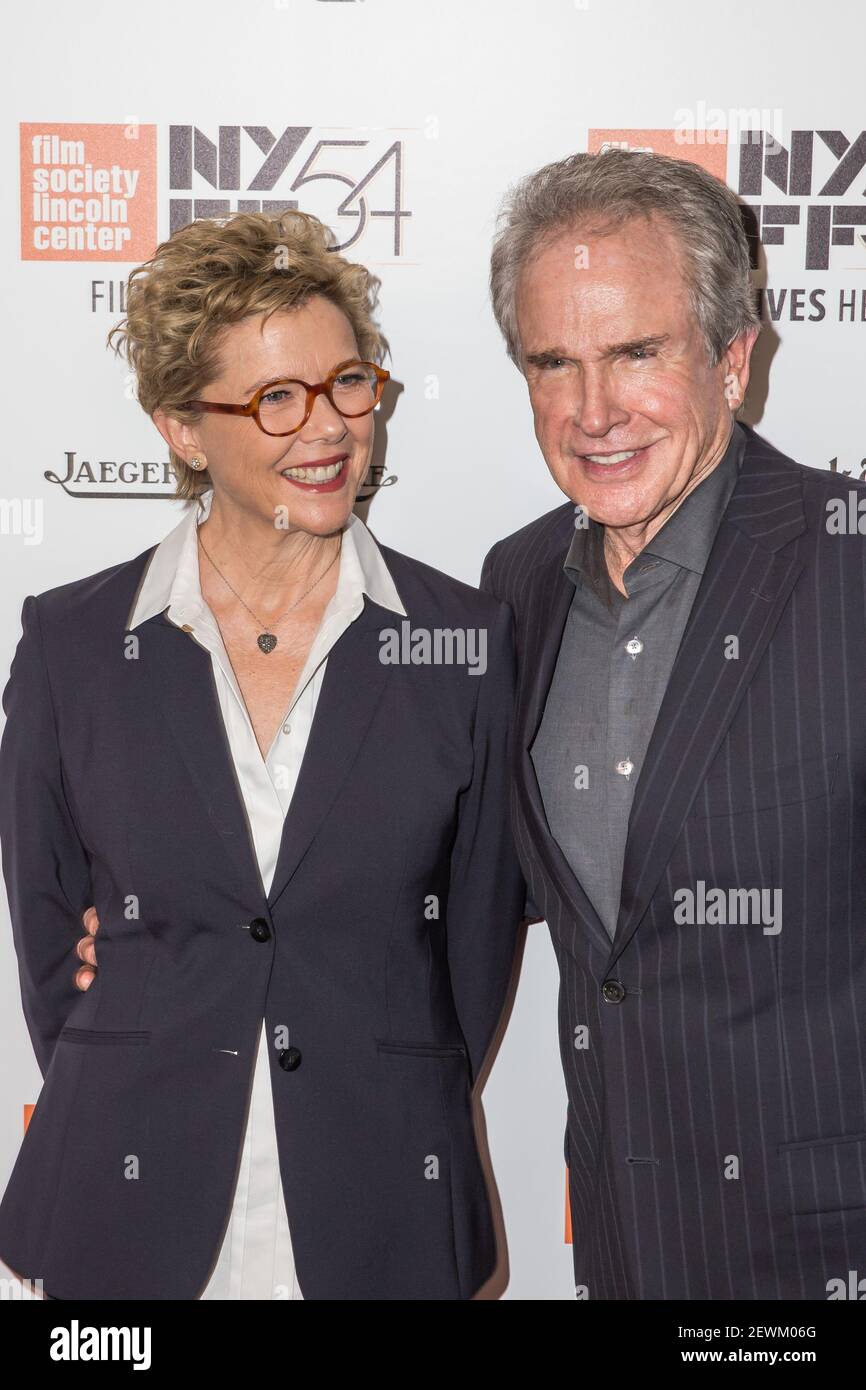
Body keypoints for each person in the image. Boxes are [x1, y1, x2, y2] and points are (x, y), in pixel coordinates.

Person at [0, 209, 525, 1300]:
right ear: (183, 430)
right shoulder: (74, 644)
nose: (327, 428)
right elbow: (50, 947)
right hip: (126, 1205)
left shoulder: (463, 643)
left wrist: (387, 1097)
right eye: (274, 398)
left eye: (345, 382)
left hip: (378, 1204)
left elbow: (471, 957)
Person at [482, 147, 866, 1299]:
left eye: (635, 353)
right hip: (623, 1235)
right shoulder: (513, 589)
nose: (592, 412)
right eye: (554, 362)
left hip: (824, 1249)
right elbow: (452, 883)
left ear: (733, 360)